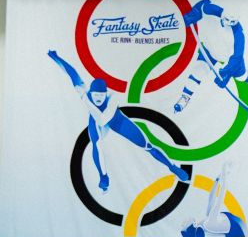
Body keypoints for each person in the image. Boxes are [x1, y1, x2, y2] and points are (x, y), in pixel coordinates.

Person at [48, 50, 190, 191]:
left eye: (101, 96)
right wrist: (57, 58)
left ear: (106, 94)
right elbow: (71, 73)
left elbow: (103, 119)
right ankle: (104, 177)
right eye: (95, 95)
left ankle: (172, 167)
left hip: (115, 119)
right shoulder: (83, 90)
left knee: (147, 145)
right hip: (97, 121)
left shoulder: (111, 96)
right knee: (96, 144)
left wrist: (87, 101)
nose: (98, 98)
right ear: (91, 92)